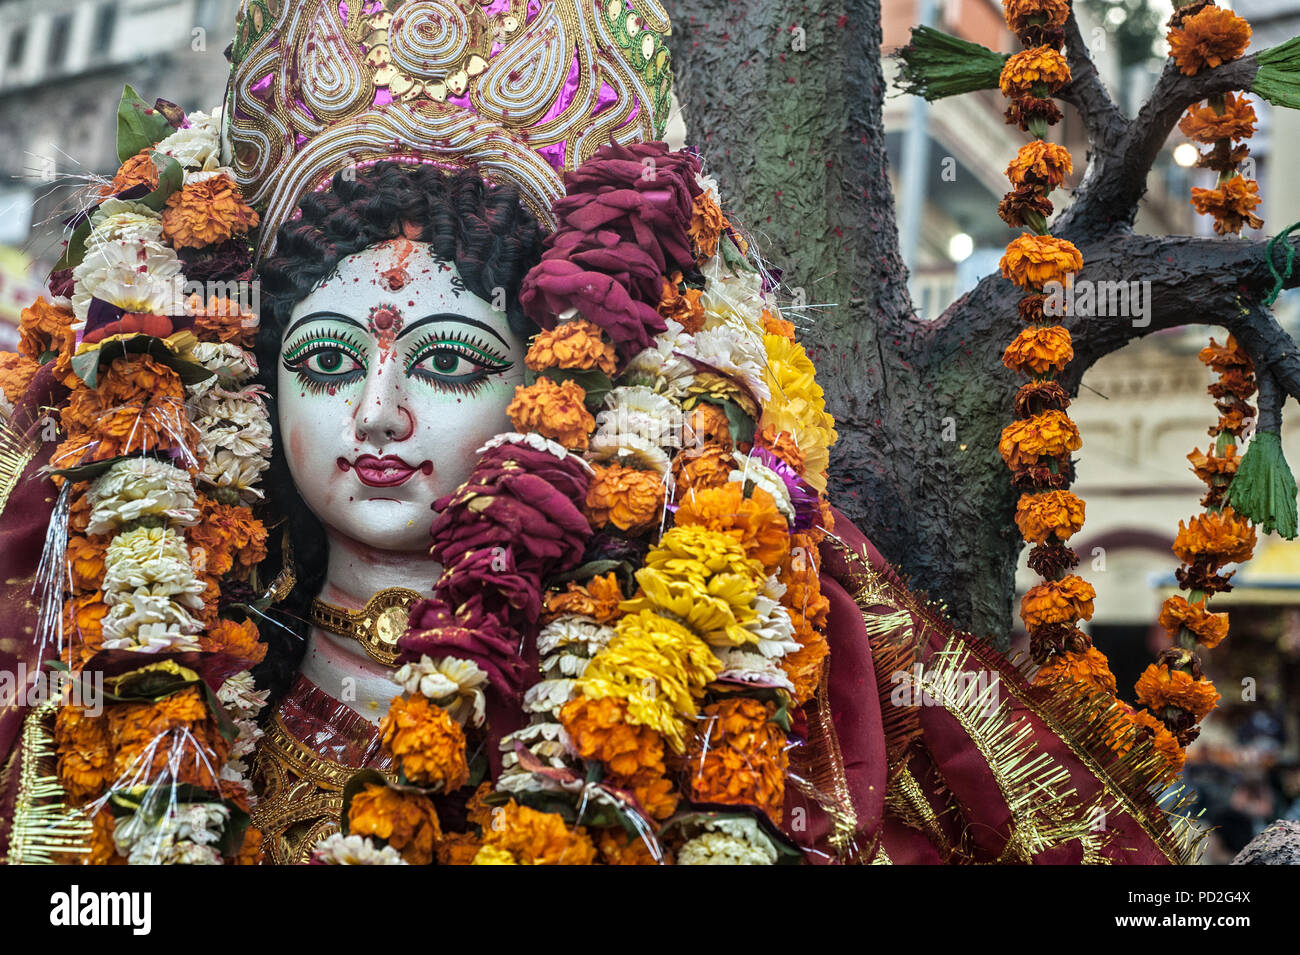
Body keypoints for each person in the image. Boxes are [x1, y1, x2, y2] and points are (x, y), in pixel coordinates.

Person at [0, 0, 1198, 864]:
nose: (374, 412)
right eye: (322, 362)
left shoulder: (657, 708)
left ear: (552, 389)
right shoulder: (137, 681)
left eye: (448, 361)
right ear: (257, 387)